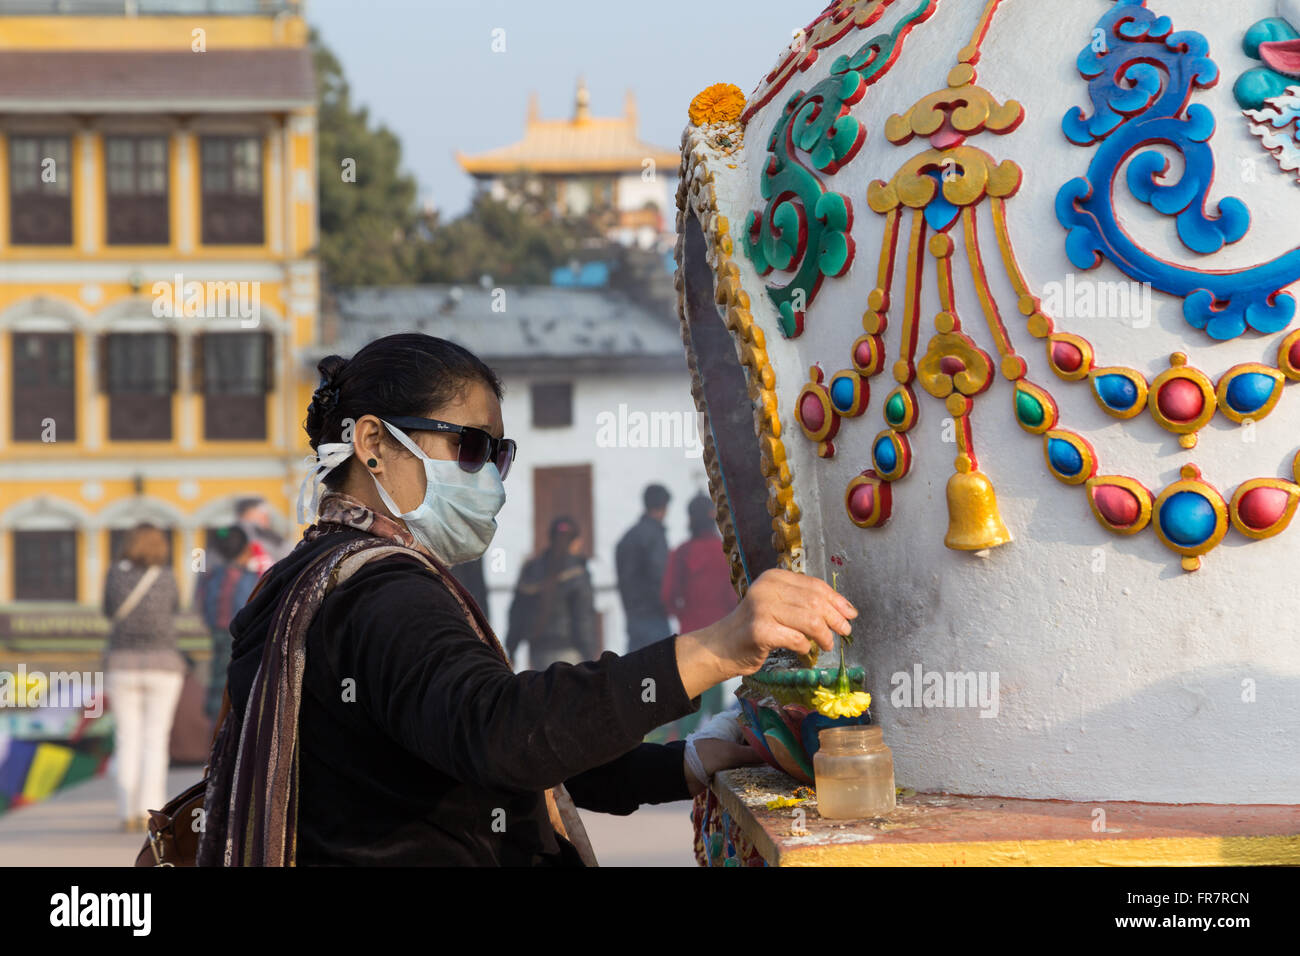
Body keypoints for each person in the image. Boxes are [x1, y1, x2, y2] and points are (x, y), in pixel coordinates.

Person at [197, 332, 856, 866]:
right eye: (471, 447)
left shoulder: (309, 576)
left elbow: (476, 751)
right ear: (373, 443)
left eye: (498, 454)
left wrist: (682, 762)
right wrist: (716, 647)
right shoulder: (380, 593)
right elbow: (504, 735)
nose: (488, 477)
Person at [102, 524, 183, 833]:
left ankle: (127, 811)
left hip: (122, 663)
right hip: (164, 663)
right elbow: (174, 610)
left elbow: (108, 611)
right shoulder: (166, 576)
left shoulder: (114, 573)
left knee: (126, 738)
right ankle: (151, 811)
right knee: (155, 739)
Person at [662, 495, 739, 722]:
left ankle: (685, 748)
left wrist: (681, 614)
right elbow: (734, 594)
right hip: (721, 631)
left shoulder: (682, 552)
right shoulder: (725, 551)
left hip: (691, 635)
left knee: (692, 694)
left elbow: (668, 595)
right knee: (716, 693)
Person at [505, 516, 599, 669]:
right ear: (575, 542)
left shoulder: (530, 569)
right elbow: (583, 618)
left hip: (537, 652)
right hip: (570, 653)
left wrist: (511, 650)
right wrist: (590, 656)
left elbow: (516, 614)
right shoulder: (578, 571)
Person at [197, 525, 259, 721]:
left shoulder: (210, 576)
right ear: (245, 550)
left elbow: (201, 606)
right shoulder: (251, 578)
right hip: (243, 640)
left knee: (218, 685)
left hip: (217, 634)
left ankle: (215, 732)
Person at [615, 484, 672, 654]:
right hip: (654, 615)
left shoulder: (627, 537)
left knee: (637, 673)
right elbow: (660, 575)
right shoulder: (654, 536)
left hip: (633, 616)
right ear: (664, 507)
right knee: (661, 672)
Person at [234, 497, 289, 576]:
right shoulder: (240, 535)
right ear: (247, 514)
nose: (266, 516)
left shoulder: (271, 535)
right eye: (261, 511)